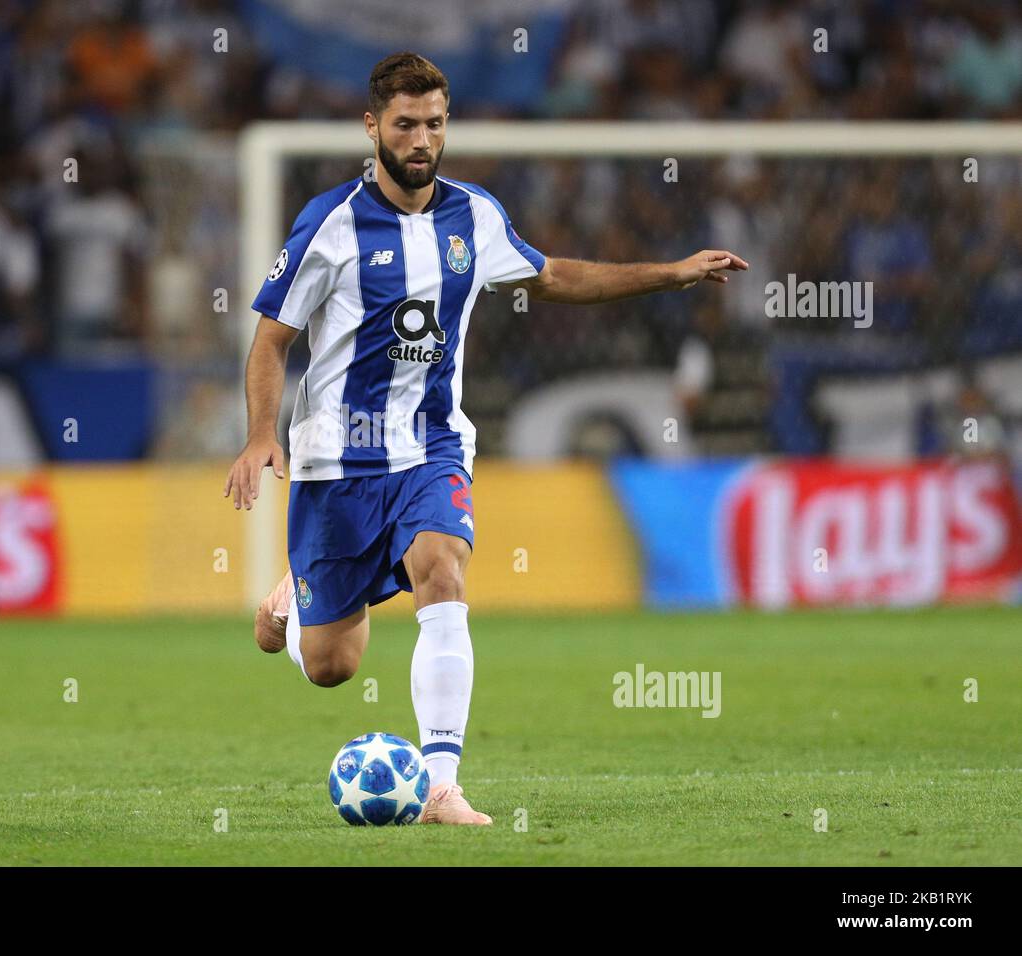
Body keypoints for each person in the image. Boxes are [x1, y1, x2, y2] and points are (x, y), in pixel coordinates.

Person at [223, 52, 748, 825]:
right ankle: (295, 609)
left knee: (443, 571)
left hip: (432, 446)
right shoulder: (329, 226)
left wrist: (668, 273)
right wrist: (258, 436)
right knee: (333, 665)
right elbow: (271, 341)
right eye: (405, 125)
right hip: (339, 459)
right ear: (373, 128)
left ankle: (441, 785)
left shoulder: (475, 216)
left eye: (434, 123)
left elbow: (555, 276)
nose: (422, 140)